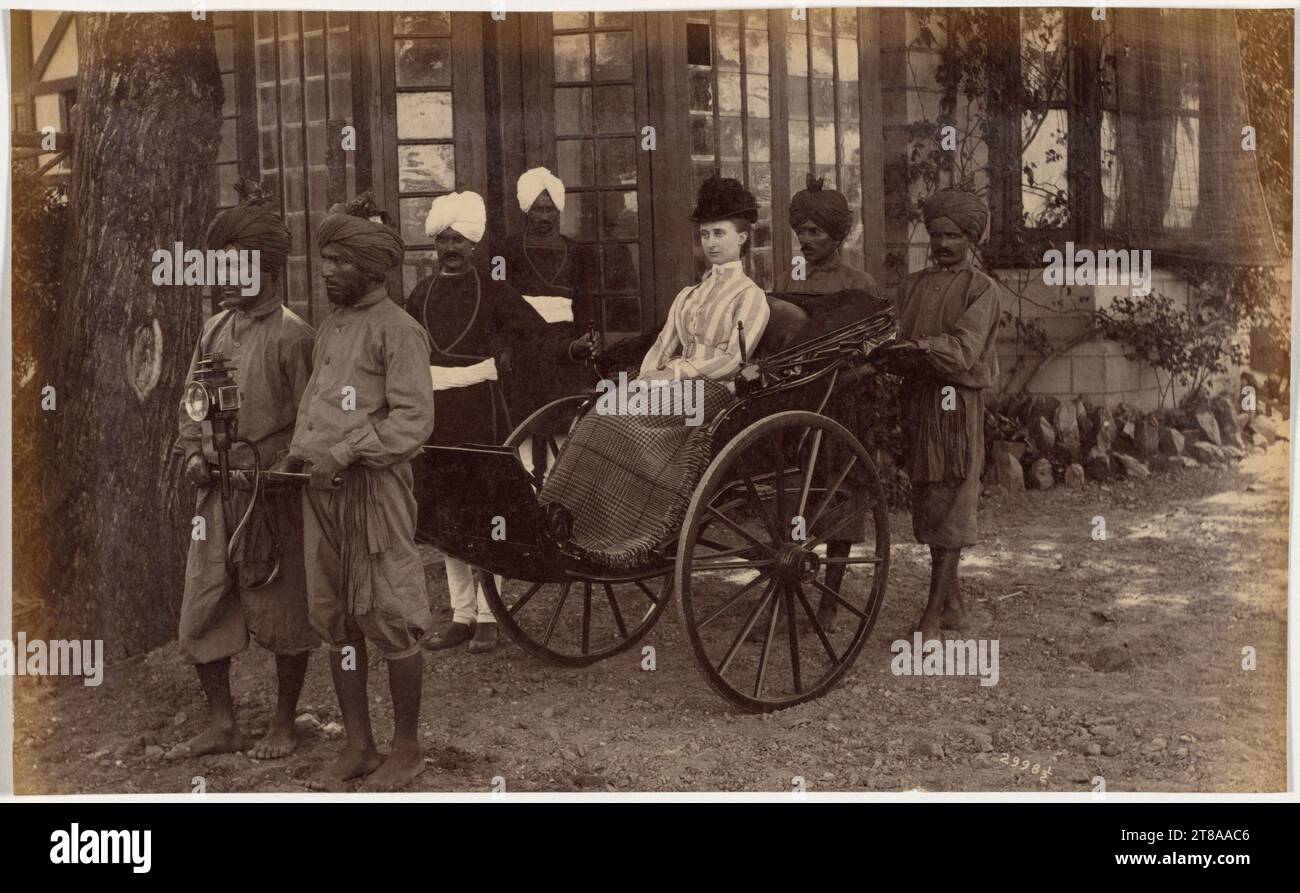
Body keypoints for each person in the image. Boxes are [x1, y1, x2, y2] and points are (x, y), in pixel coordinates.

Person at [538, 176, 769, 570]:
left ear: (743, 238)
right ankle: (562, 515)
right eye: (705, 234)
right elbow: (663, 345)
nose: (711, 243)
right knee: (603, 412)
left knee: (626, 425)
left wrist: (675, 374)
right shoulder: (689, 295)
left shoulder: (751, 297)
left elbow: (732, 359)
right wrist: (646, 379)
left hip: (712, 392)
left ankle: (623, 531)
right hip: (673, 384)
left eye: (720, 234)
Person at [288, 193, 436, 791]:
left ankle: (406, 749)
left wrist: (345, 452)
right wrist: (298, 454)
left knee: (390, 613)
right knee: (335, 618)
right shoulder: (330, 330)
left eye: (340, 261)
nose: (327, 271)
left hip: (375, 498)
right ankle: (358, 746)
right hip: (320, 497)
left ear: (374, 268)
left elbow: (413, 421)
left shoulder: (401, 332)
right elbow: (314, 404)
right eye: (325, 259)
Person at [169, 179, 318, 762]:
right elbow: (190, 403)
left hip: (269, 497)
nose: (227, 278)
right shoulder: (213, 330)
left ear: (271, 270)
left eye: (239, 266)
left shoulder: (295, 336)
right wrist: (193, 455)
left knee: (283, 606)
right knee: (204, 602)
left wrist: (279, 467)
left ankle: (284, 723)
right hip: (215, 495)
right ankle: (223, 723)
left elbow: (311, 421)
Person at [411, 189, 594, 654]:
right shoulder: (421, 292)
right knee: (446, 511)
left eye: (459, 241)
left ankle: (490, 614)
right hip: (435, 411)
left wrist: (569, 349)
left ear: (473, 245)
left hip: (481, 409)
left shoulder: (494, 291)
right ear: (435, 245)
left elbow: (535, 332)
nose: (450, 250)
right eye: (442, 241)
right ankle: (460, 614)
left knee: (482, 509)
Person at [885, 189, 1003, 640]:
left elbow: (962, 351)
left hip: (955, 406)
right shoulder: (912, 285)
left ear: (970, 238)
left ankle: (931, 615)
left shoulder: (982, 289)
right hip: (919, 403)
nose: (943, 244)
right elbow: (890, 334)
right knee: (929, 499)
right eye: (936, 234)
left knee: (954, 498)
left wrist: (914, 349)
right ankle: (953, 605)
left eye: (953, 235)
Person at [774, 175, 891, 631]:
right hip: (796, 402)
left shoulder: (859, 283)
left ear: (838, 235)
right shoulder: (790, 278)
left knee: (839, 502)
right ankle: (792, 594)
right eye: (800, 232)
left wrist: (842, 376)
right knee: (796, 499)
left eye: (815, 233)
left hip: (843, 403)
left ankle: (830, 601)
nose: (805, 240)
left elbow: (875, 351)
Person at [499, 166, 598, 423]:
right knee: (527, 421)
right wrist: (505, 348)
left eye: (550, 209)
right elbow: (498, 303)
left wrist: (587, 337)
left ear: (558, 210)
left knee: (563, 418)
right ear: (526, 211)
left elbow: (584, 301)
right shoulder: (508, 249)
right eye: (538, 209)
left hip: (565, 345)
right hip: (524, 344)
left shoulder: (577, 252)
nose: (545, 216)